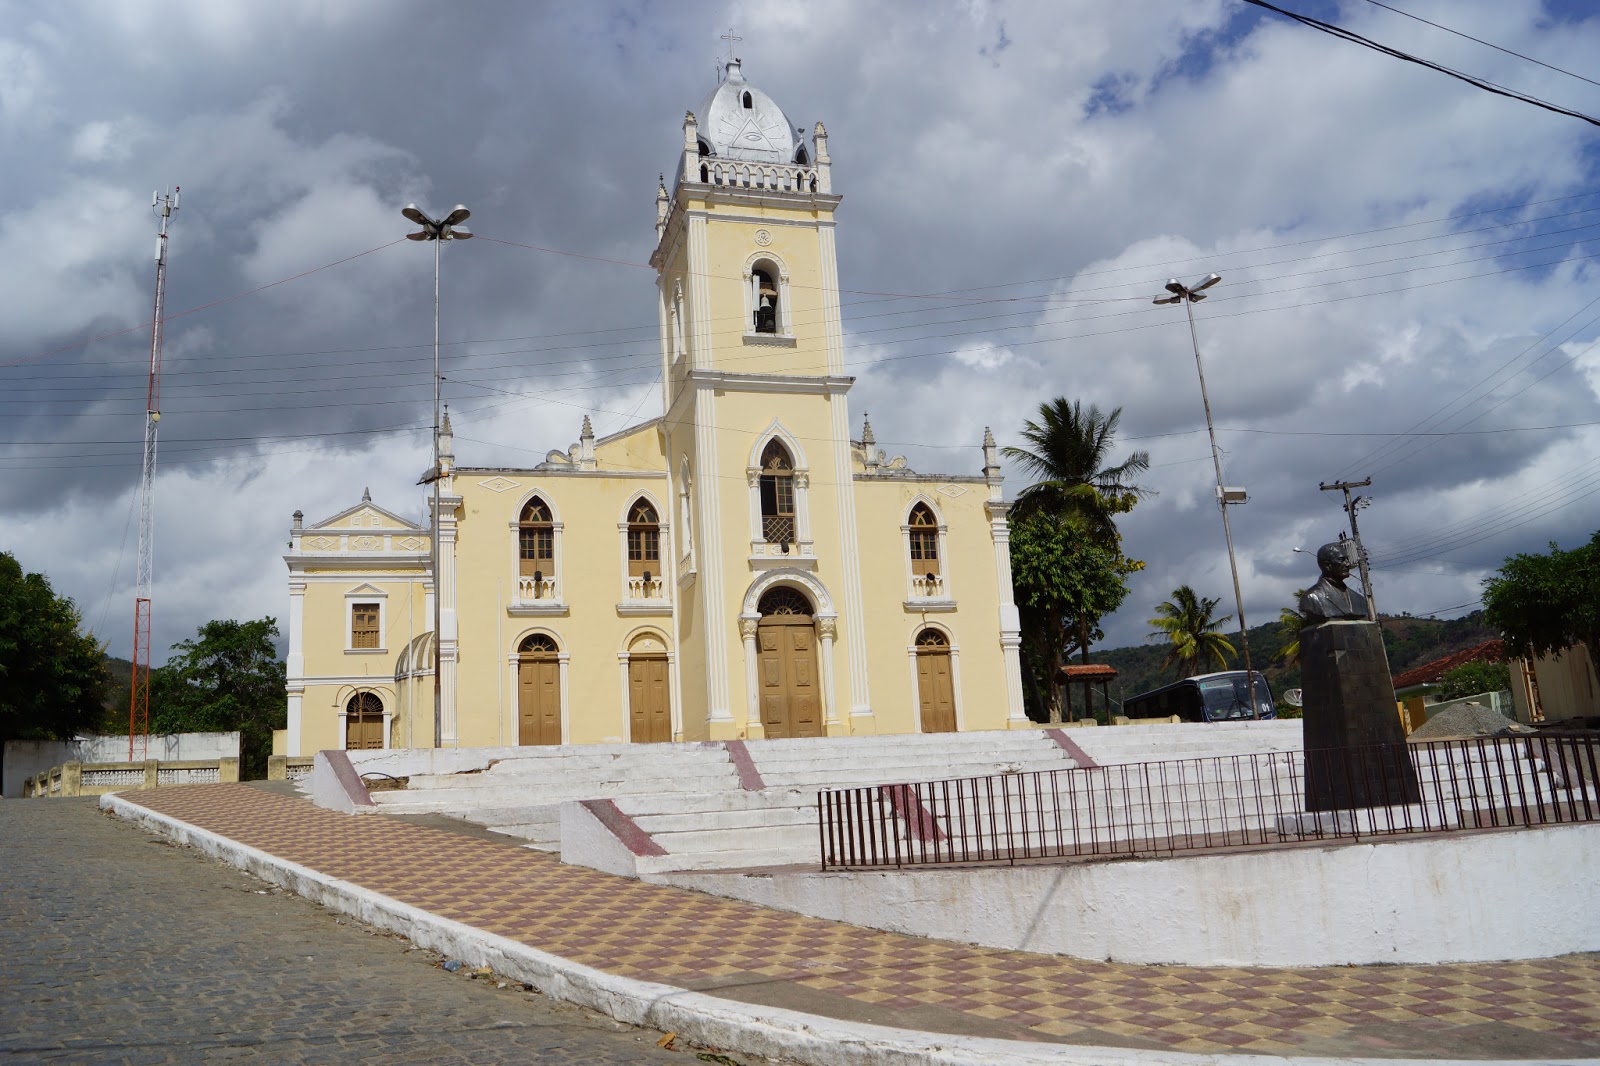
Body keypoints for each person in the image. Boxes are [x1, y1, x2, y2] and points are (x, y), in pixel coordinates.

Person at [1299, 542, 1369, 624]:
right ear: (1327, 565)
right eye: (1342, 560)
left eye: (1347, 559)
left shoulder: (1359, 599)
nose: (1348, 564)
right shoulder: (1311, 598)